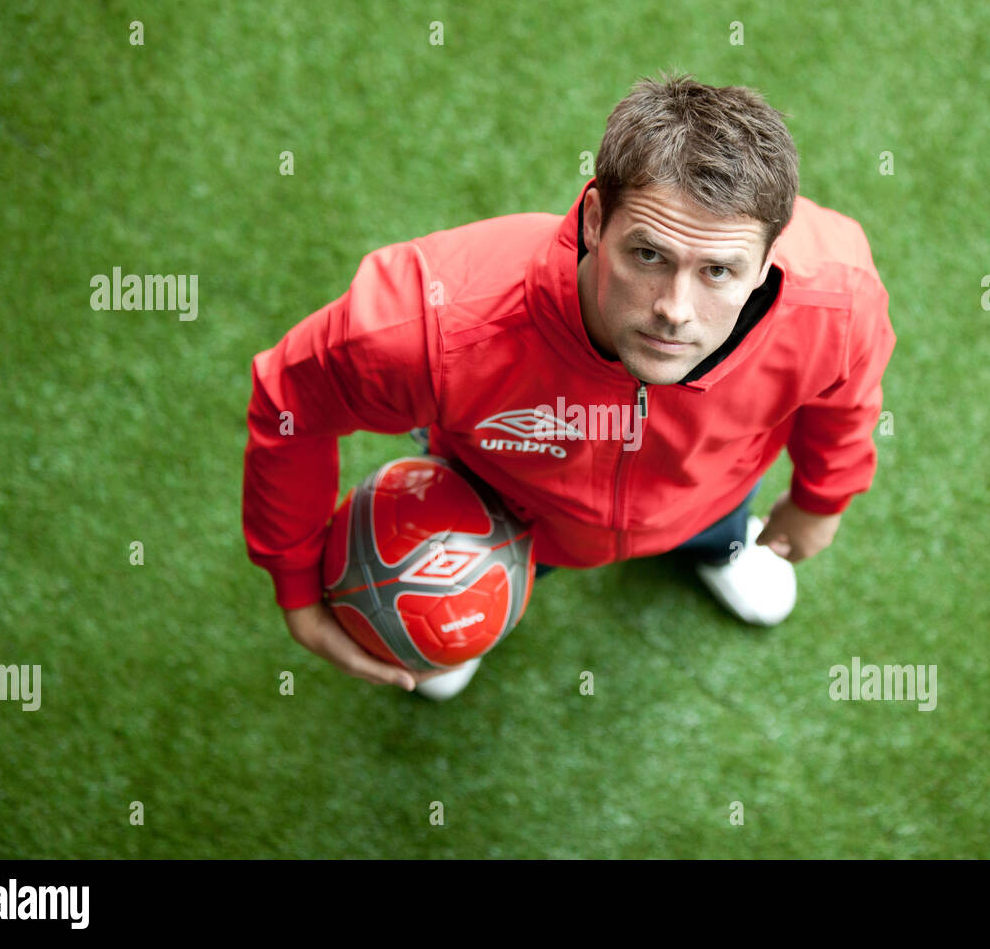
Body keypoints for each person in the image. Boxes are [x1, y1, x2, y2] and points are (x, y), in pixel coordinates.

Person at [242, 73, 896, 701]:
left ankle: (719, 547)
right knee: (484, 589)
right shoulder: (433, 320)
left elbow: (847, 394)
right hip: (513, 507)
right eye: (648, 255)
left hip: (708, 488)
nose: (674, 308)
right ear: (594, 219)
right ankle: (480, 595)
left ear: (767, 260)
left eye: (718, 271)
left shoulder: (837, 298)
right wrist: (297, 587)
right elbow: (290, 401)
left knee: (715, 521)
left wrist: (822, 499)